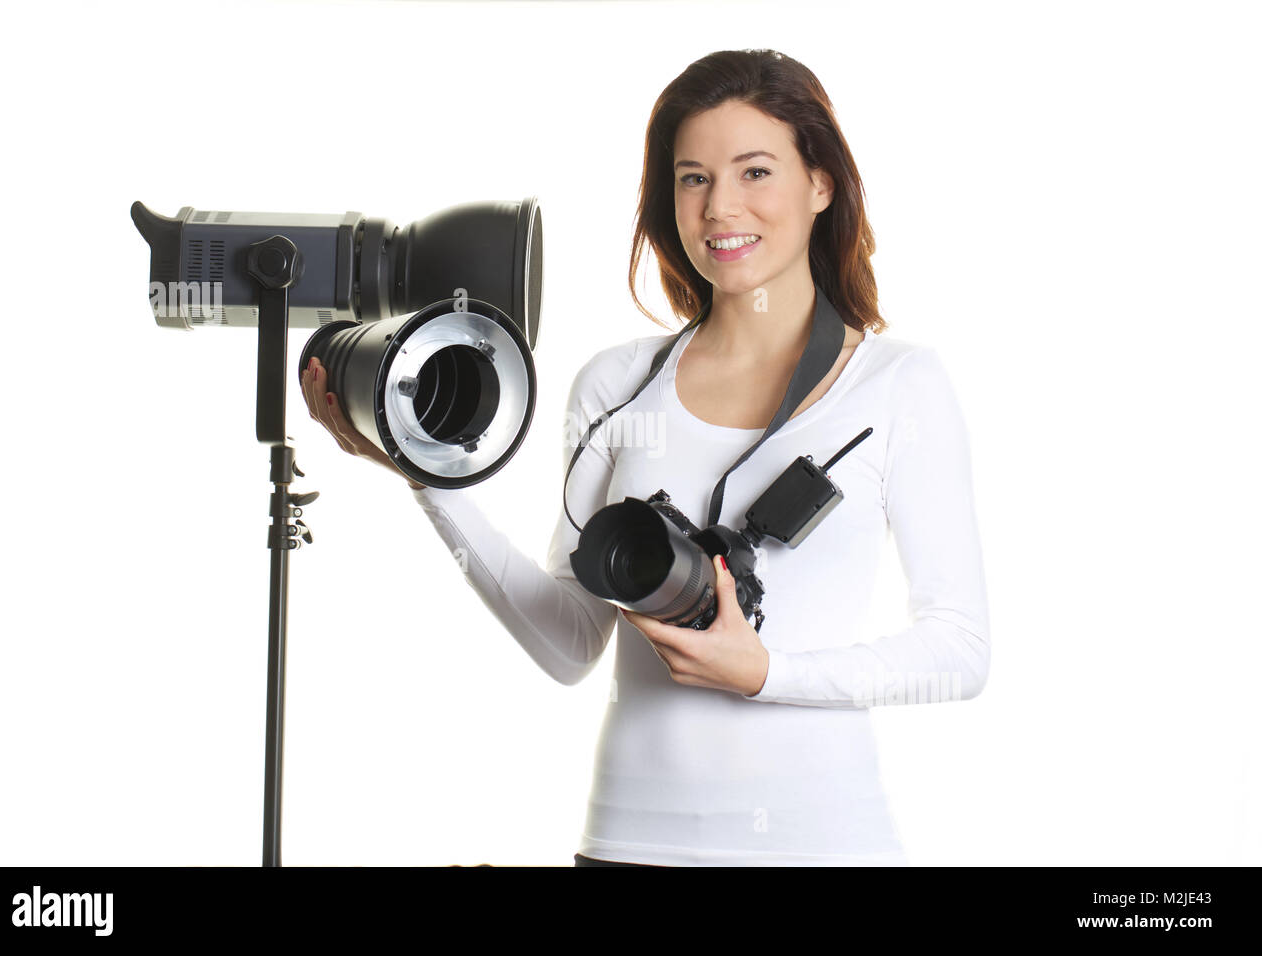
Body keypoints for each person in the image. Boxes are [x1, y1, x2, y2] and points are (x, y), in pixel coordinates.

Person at [300, 48, 990, 867]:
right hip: (629, 842)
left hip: (823, 845)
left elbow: (958, 650)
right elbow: (570, 646)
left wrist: (766, 673)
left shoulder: (897, 383)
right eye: (692, 177)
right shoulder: (617, 386)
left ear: (822, 184)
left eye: (755, 170)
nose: (720, 207)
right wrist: (429, 477)